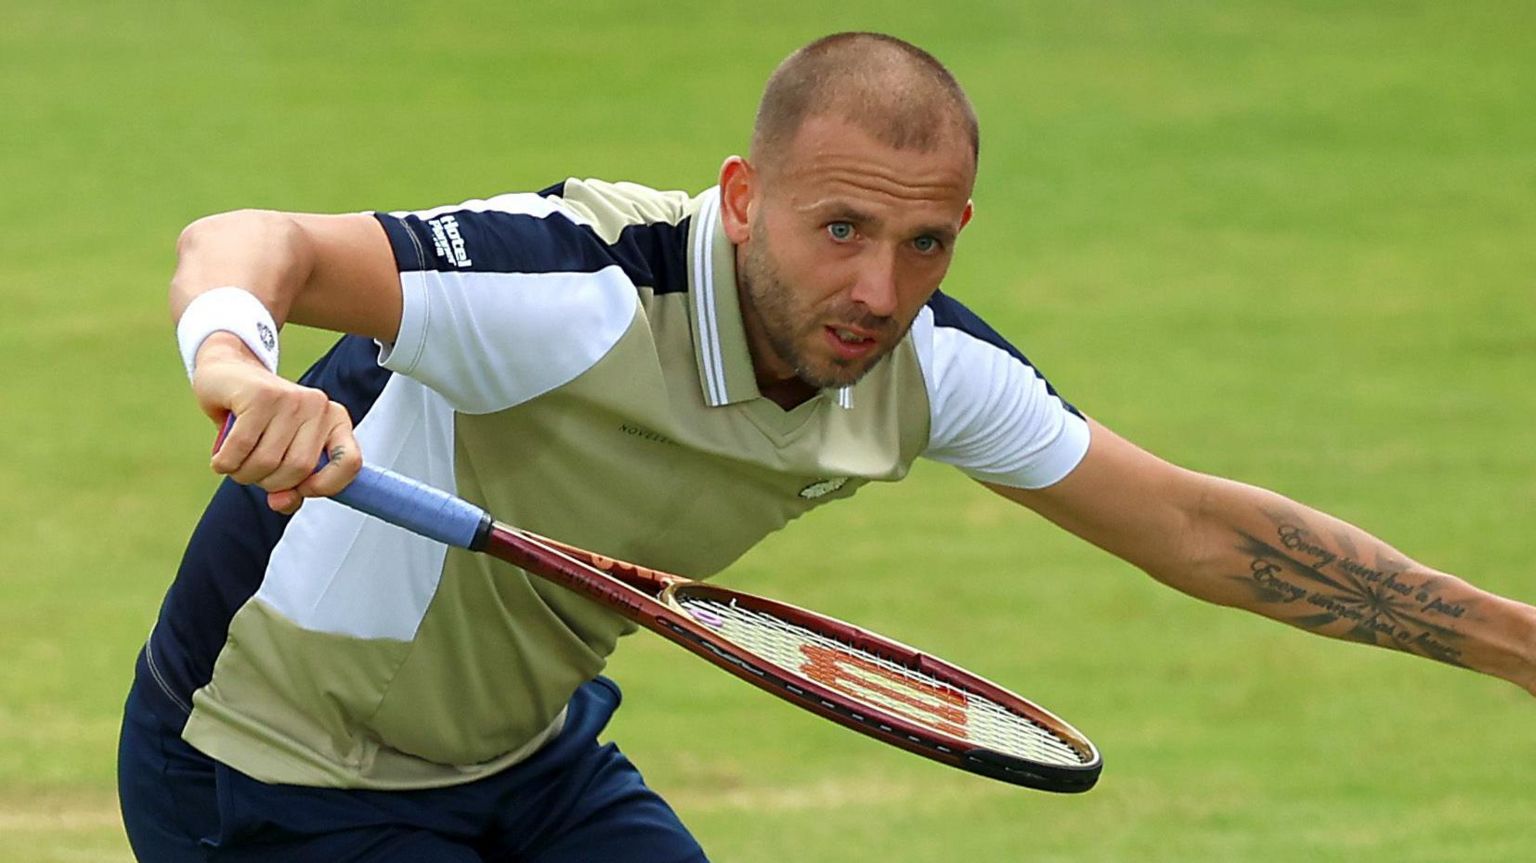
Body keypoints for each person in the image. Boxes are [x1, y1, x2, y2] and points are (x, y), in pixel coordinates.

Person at [119, 31, 1535, 863]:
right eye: (840, 229)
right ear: (744, 197)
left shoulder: (924, 366)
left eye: (923, 242)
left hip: (520, 762)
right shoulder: (575, 289)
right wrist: (240, 364)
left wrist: (1514, 645)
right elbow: (253, 245)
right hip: (263, 769)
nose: (877, 289)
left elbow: (1196, 528)